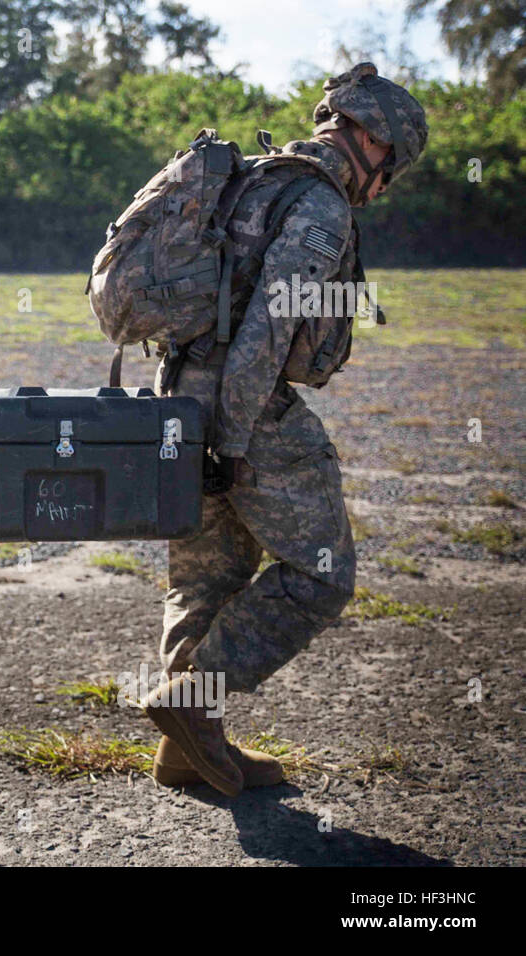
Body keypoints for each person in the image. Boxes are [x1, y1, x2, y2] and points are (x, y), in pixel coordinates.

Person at [143, 63, 428, 795]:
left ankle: (188, 750)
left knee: (208, 576)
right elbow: (269, 331)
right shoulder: (319, 208)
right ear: (366, 137)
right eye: (390, 165)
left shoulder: (254, 177)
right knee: (323, 575)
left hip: (176, 397)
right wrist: (231, 445)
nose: (385, 183)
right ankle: (191, 701)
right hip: (245, 409)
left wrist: (202, 434)